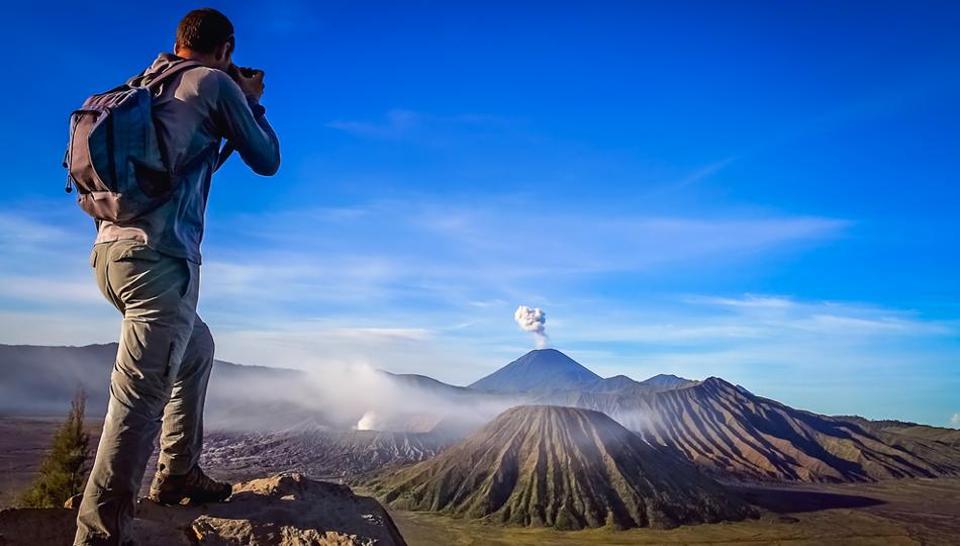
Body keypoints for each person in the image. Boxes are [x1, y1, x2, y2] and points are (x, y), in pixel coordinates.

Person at [75, 8, 280, 545]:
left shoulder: (147, 84)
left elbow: (182, 164)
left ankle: (178, 473)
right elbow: (267, 158)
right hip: (159, 261)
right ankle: (97, 537)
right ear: (227, 48)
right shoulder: (214, 82)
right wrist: (250, 99)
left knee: (197, 347)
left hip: (109, 256)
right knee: (138, 401)